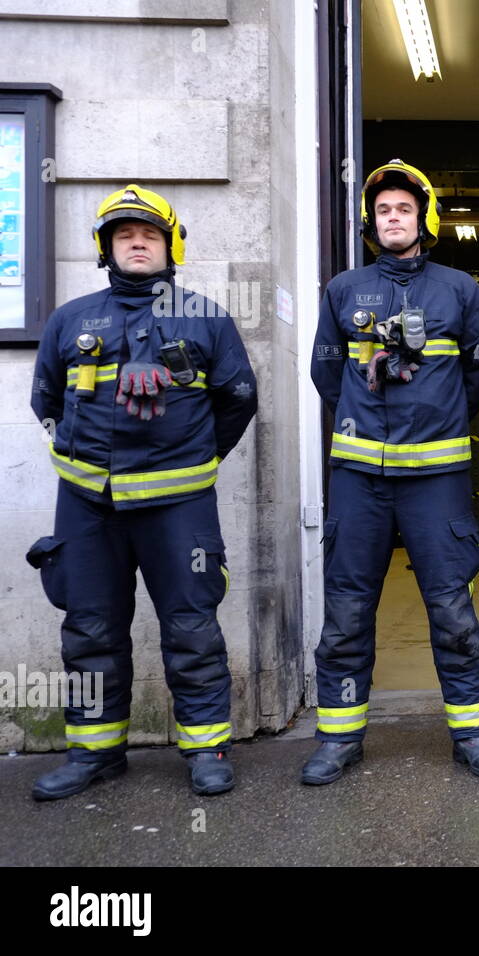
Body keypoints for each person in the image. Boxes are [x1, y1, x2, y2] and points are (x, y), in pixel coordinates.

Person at [28, 184, 258, 799]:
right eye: (124, 235)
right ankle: (95, 753)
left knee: (191, 625)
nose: (136, 242)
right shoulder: (70, 319)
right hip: (87, 505)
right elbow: (44, 400)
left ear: (170, 245)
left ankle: (206, 747)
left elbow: (237, 401)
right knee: (89, 626)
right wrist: (76, 454)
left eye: (148, 234)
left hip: (179, 507)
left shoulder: (206, 317)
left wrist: (191, 460)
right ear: (105, 248)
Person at [306, 159, 479, 783]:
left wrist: (432, 416)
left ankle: (472, 734)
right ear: (373, 223)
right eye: (384, 210)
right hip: (359, 477)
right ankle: (340, 740)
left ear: (423, 220)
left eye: (404, 210)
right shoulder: (343, 290)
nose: (394, 218)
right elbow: (325, 373)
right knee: (347, 608)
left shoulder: (459, 290)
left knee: (451, 608)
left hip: (438, 478)